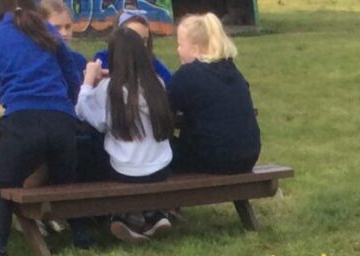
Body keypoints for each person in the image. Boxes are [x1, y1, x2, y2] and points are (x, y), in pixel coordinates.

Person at [0, 0, 85, 256]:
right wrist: (68, 104)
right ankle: (82, 237)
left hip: (23, 121)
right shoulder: (48, 31)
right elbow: (72, 76)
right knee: (66, 182)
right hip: (61, 120)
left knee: (1, 183)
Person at [75, 25, 171, 242]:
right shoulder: (158, 85)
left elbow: (85, 113)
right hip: (161, 168)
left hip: (124, 170)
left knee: (97, 155)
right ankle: (152, 216)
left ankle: (123, 218)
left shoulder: (110, 90)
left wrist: (88, 83)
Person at [169, 11, 258, 176]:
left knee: (159, 153)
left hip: (213, 159)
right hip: (248, 156)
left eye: (180, 45)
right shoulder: (232, 70)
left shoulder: (187, 75)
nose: (178, 50)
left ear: (195, 50)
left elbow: (163, 112)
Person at [91, 6, 171, 91]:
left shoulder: (153, 63)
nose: (140, 45)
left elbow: (171, 86)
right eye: (133, 39)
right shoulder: (103, 60)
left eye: (144, 40)